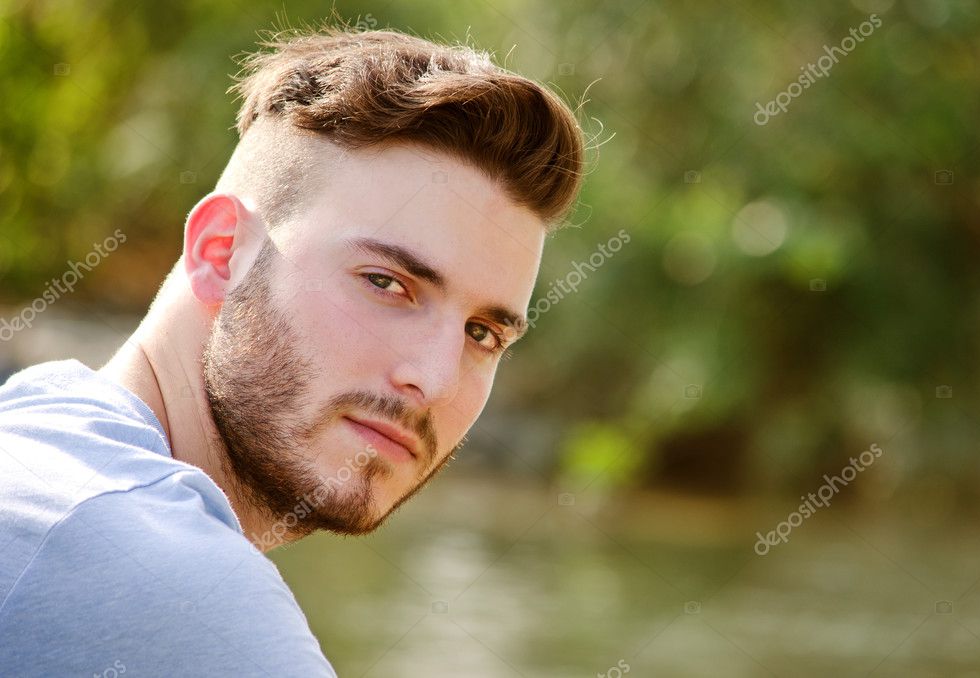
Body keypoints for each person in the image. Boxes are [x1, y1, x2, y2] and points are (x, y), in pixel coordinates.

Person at [0, 26, 584, 676]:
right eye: (387, 284)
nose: (435, 378)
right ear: (222, 251)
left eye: (484, 333)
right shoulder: (178, 591)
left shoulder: (37, 432)